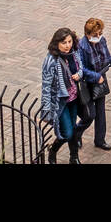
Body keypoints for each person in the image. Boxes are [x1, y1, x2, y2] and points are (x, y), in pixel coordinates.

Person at [40, 27, 89, 163]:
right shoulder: (51, 61)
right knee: (67, 132)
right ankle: (53, 149)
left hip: (74, 98)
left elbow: (80, 69)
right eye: (64, 43)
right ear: (56, 44)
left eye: (69, 41)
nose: (68, 46)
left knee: (72, 128)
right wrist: (46, 110)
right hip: (60, 101)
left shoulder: (74, 53)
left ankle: (74, 157)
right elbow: (46, 87)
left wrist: (79, 74)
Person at [77, 17, 111, 151]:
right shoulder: (81, 46)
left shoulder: (102, 41)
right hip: (87, 83)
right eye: (95, 35)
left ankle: (100, 140)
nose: (98, 36)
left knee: (101, 111)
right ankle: (77, 133)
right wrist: (95, 76)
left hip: (100, 79)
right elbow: (81, 68)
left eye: (100, 33)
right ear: (87, 34)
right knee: (90, 114)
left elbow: (107, 59)